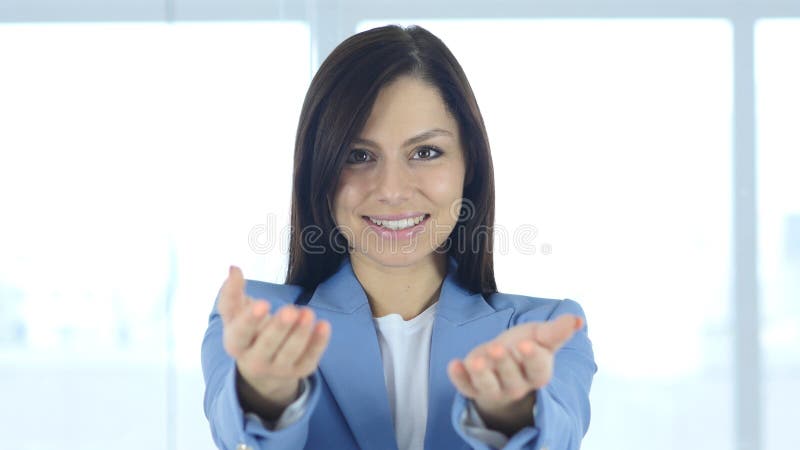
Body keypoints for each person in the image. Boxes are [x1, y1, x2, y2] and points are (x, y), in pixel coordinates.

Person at [201, 24, 596, 450]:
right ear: (321, 172)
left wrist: (509, 414)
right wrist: (266, 395)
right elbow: (240, 437)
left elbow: (557, 436)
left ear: (470, 167)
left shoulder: (543, 331)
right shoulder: (259, 326)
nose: (391, 189)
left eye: (425, 153)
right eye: (359, 155)